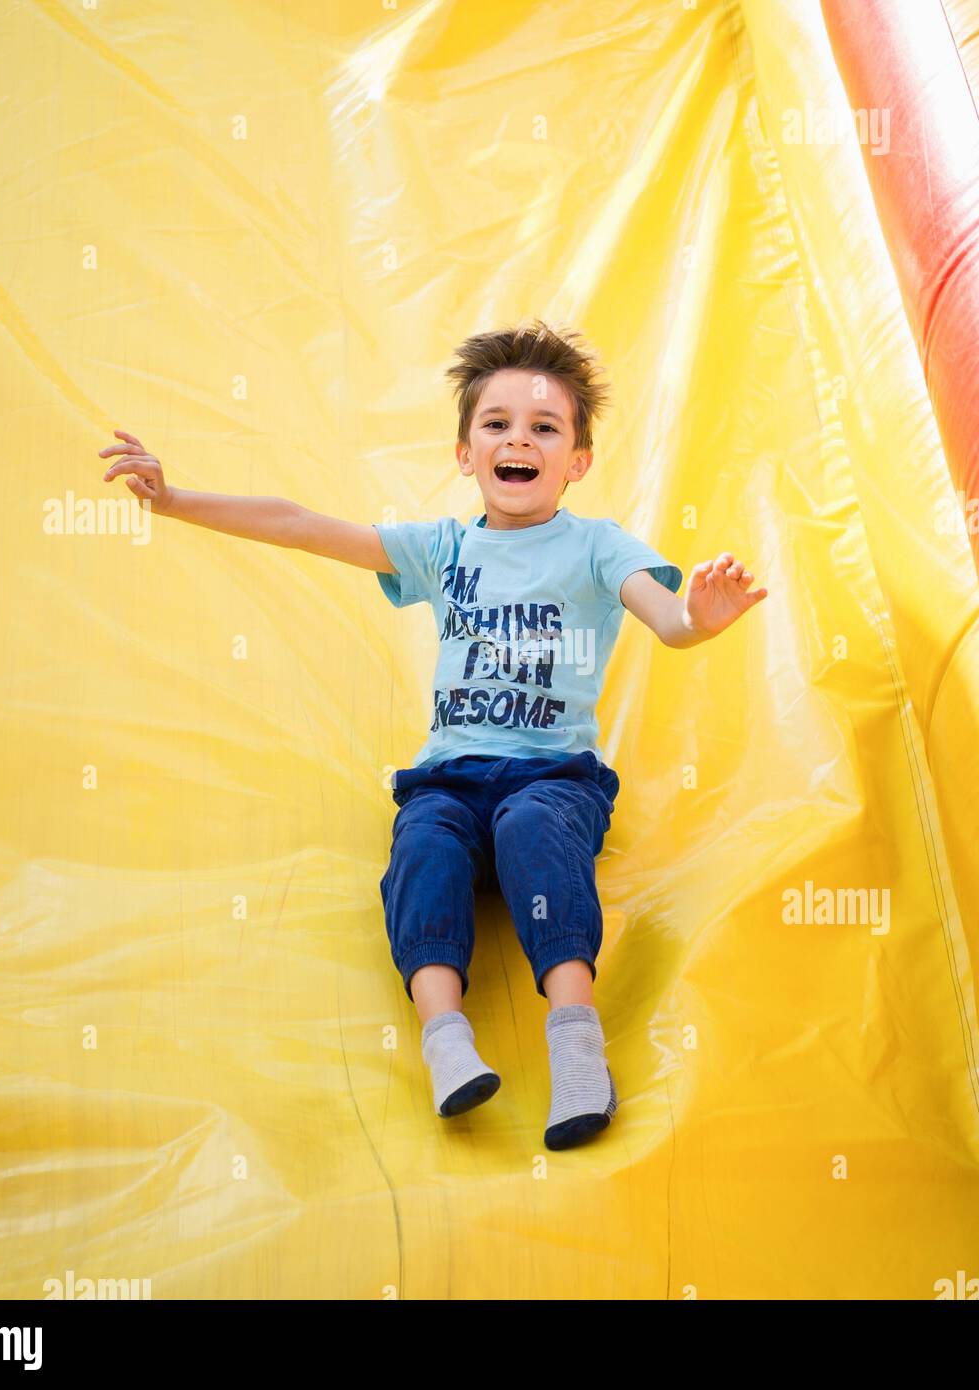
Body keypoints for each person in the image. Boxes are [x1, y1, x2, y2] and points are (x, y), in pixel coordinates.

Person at [99, 317, 767, 1150]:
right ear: (465, 453)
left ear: (577, 461)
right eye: (497, 424)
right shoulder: (443, 549)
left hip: (551, 777)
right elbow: (302, 523)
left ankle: (576, 1044)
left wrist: (697, 619)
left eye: (544, 427)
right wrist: (173, 500)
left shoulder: (598, 544)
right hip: (447, 779)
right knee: (423, 849)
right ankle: (447, 1042)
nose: (518, 439)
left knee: (531, 828)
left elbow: (666, 619)